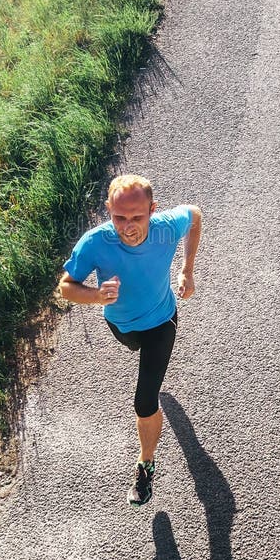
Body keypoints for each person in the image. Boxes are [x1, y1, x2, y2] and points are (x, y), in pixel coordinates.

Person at [59, 174, 202, 507]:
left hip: (161, 321)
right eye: (118, 217)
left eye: (137, 217)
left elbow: (194, 215)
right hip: (121, 326)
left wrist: (187, 269)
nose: (127, 226)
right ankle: (154, 396)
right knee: (134, 349)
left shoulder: (167, 227)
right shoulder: (95, 242)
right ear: (108, 209)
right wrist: (96, 296)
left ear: (152, 210)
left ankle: (145, 464)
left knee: (144, 399)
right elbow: (66, 286)